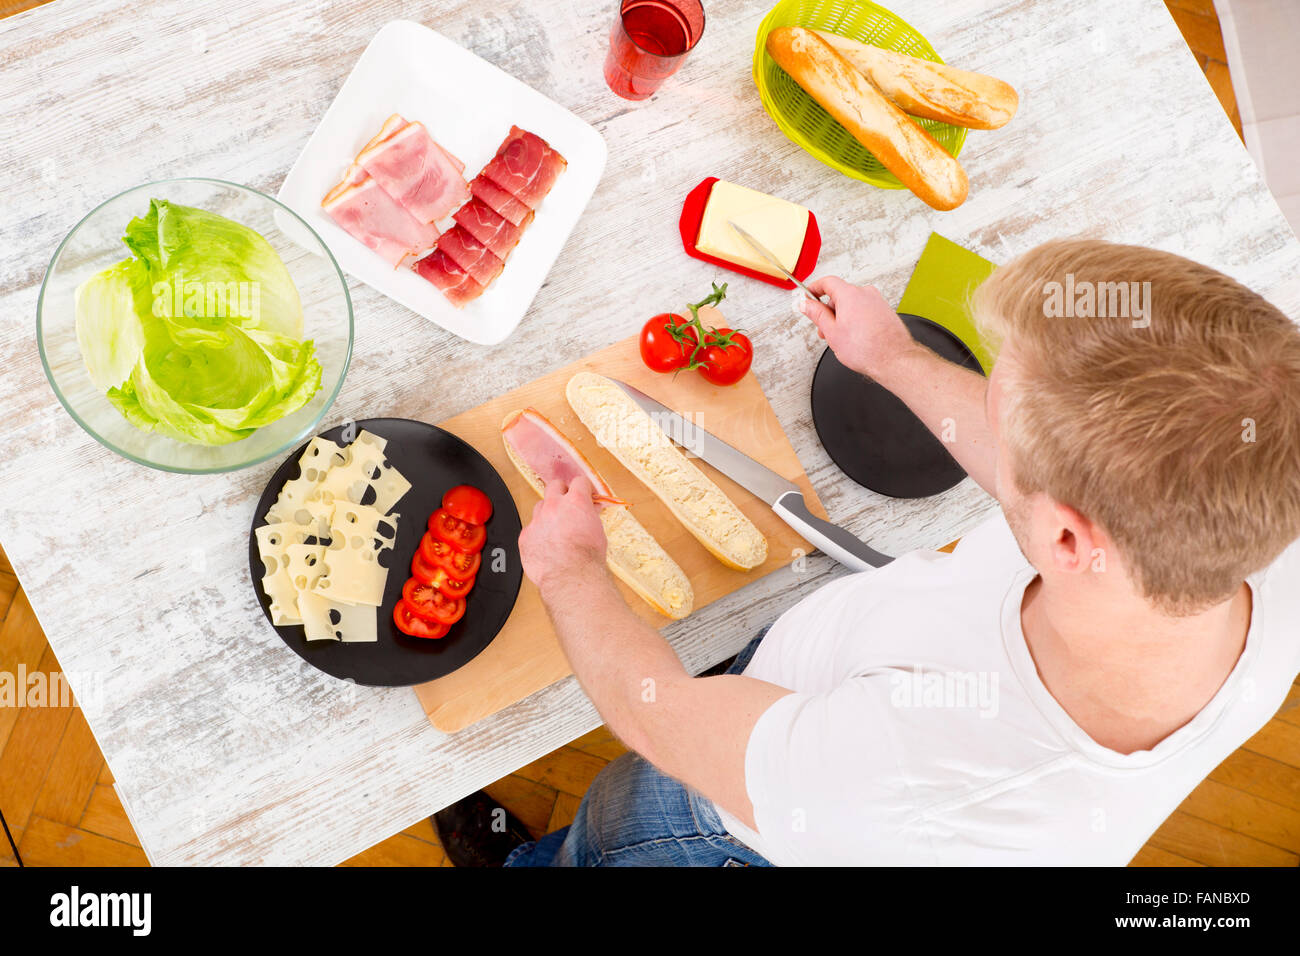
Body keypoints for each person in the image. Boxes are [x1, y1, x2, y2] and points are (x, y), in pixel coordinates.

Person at [434, 238, 1300, 866]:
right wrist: (892, 358)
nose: (990, 411)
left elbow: (659, 716)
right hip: (826, 682)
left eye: (1000, 401)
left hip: (727, 832)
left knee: (609, 838)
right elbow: (1048, 469)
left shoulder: (917, 785)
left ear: (1070, 540)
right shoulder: (1255, 496)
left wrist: (569, 573)